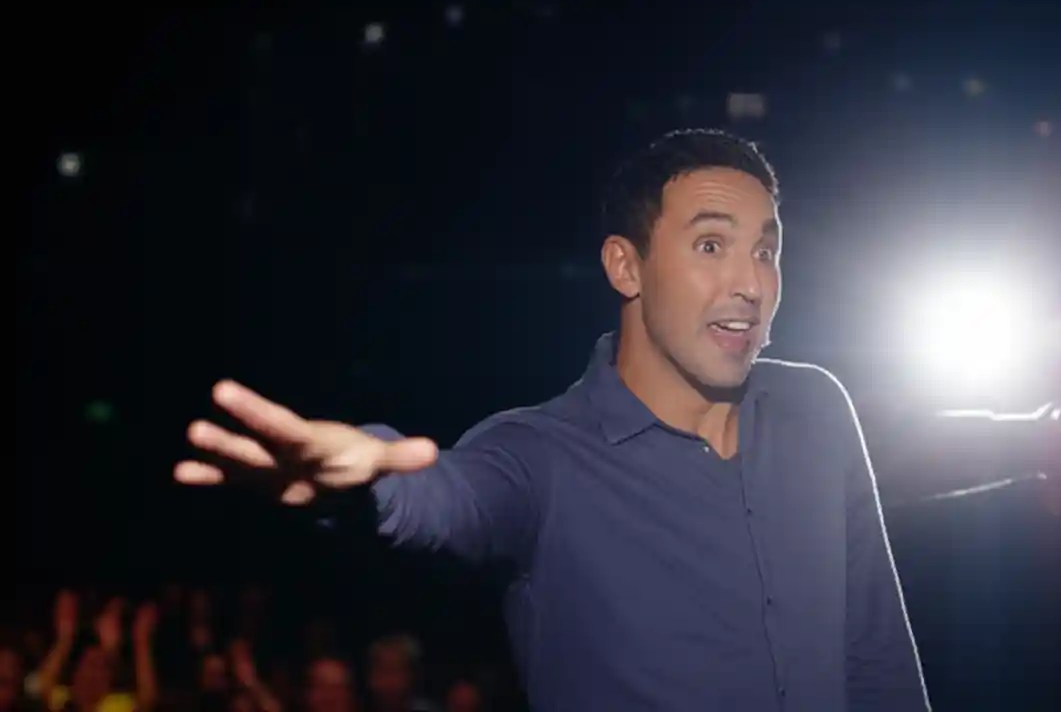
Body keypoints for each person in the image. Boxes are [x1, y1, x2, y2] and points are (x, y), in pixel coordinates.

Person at [175, 128, 937, 709]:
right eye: (712, 244)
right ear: (624, 266)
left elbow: (878, 657)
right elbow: (451, 497)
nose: (751, 283)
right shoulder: (542, 454)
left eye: (767, 252)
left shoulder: (817, 410)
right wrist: (368, 475)